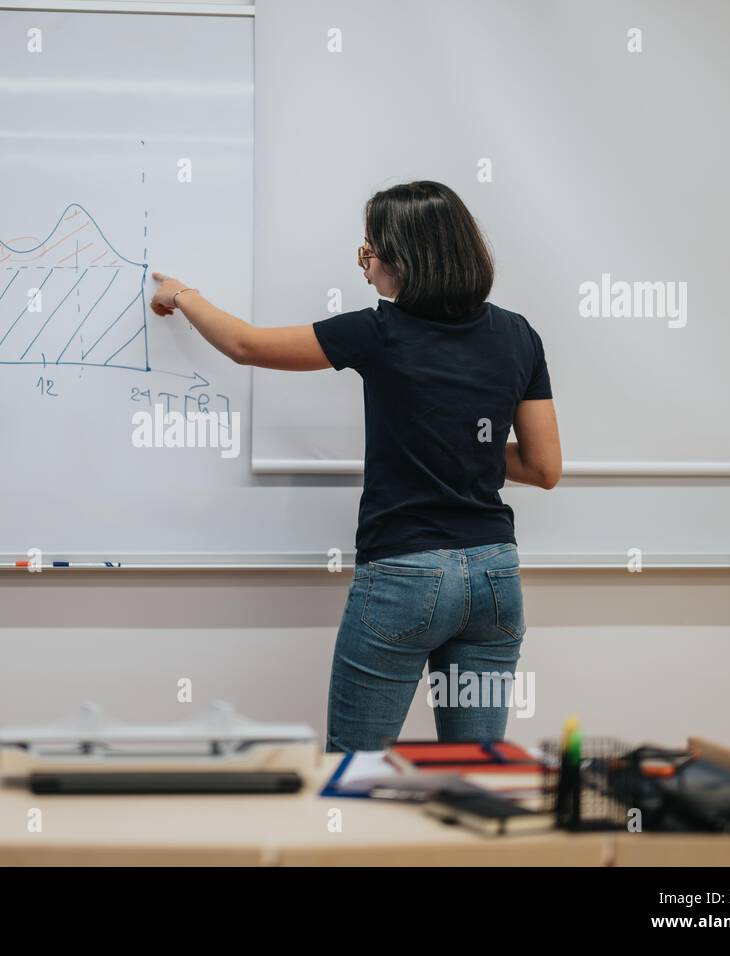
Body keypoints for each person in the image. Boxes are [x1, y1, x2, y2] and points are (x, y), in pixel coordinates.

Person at [150, 180, 562, 751]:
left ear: (405, 260)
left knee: (354, 769)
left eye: (369, 252)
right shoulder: (519, 335)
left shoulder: (377, 331)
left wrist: (182, 294)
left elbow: (246, 346)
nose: (365, 268)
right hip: (495, 575)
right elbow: (544, 467)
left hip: (405, 574)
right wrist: (468, 445)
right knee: (475, 770)